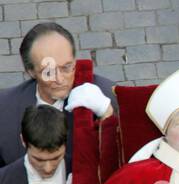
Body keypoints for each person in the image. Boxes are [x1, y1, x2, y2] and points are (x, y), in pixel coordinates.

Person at [0, 22, 116, 168]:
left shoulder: (108, 96)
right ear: (30, 71)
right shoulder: (4, 109)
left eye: (66, 67)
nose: (60, 80)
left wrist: (107, 114)